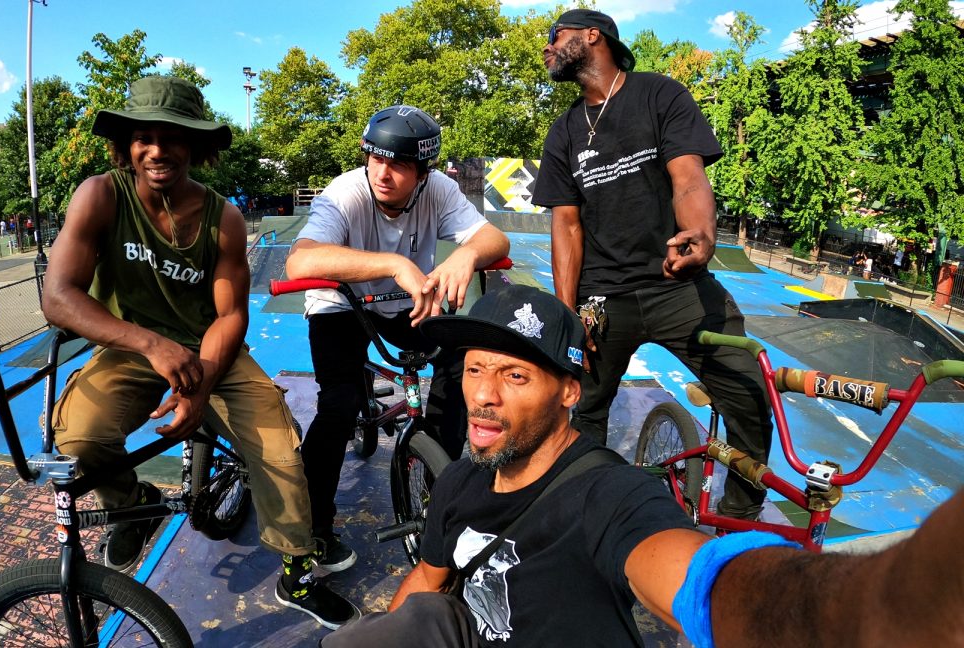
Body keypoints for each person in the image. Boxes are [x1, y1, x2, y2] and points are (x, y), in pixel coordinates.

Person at [322, 283, 964, 647]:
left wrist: (879, 607)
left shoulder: (611, 496)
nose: (483, 397)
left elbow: (704, 577)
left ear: (571, 392)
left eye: (516, 374)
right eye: (474, 369)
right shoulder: (460, 483)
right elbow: (428, 582)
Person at [41, 75, 358, 629]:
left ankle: (296, 569)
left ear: (195, 145)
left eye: (172, 137)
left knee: (280, 450)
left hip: (212, 351)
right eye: (144, 136)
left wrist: (202, 383)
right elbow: (58, 296)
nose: (157, 150)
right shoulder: (101, 195)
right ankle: (128, 505)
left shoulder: (223, 218)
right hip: (131, 347)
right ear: (128, 144)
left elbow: (232, 315)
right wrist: (150, 344)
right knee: (79, 436)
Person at [531, 8, 771, 521]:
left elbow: (687, 176)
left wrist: (700, 235)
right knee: (577, 410)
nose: (546, 48)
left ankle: (740, 514)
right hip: (602, 299)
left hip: (677, 286)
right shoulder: (565, 131)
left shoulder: (659, 94)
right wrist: (567, 312)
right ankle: (582, 514)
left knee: (748, 389)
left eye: (555, 36)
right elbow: (567, 226)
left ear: (592, 35)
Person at [285, 105, 510, 571]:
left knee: (458, 360)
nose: (384, 173)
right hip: (340, 304)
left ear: (423, 172)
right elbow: (300, 264)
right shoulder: (345, 193)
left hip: (404, 302)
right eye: (376, 159)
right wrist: (394, 264)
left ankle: (436, 476)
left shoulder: (441, 190)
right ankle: (315, 530)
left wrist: (465, 256)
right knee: (338, 407)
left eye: (400, 165)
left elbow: (495, 240)